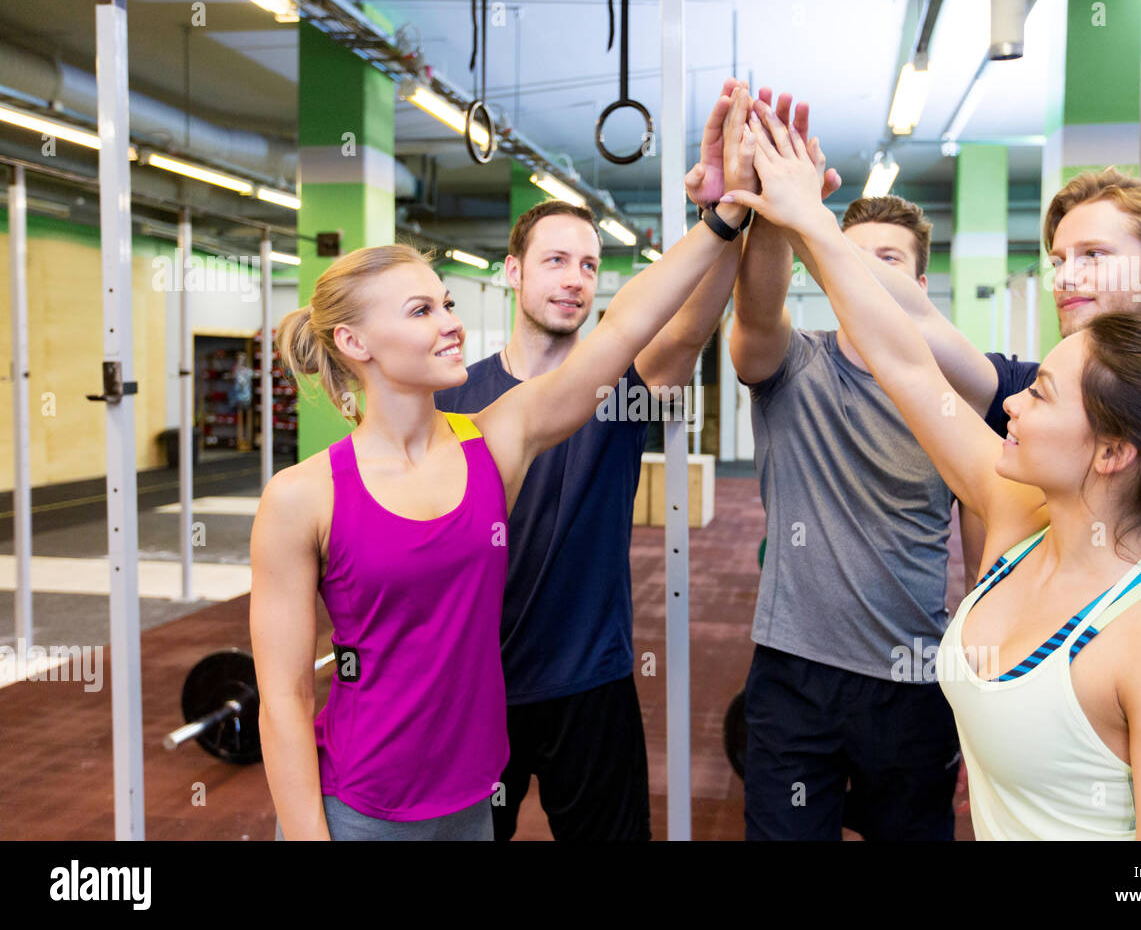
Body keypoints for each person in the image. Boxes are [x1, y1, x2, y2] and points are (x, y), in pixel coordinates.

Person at [721, 101, 1141, 839]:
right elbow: (904, 351)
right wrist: (794, 213)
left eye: (1042, 394)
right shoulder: (1018, 505)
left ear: (1114, 450)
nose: (1012, 403)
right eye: (1059, 258)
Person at [250, 167, 754, 839]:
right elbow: (282, 700)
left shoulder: (493, 442)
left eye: (448, 304)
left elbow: (622, 332)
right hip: (364, 804)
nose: (451, 323)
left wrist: (722, 221)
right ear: (354, 342)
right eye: (423, 311)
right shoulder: (300, 496)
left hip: (468, 798)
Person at [436, 79, 794, 840]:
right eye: (556, 260)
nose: (573, 279)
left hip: (587, 681)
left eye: (590, 266)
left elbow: (689, 326)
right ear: (513, 271)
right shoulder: (454, 394)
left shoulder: (619, 386)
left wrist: (728, 220)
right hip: (475, 683)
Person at [729, 94, 960, 841]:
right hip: (794, 672)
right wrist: (773, 206)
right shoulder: (795, 366)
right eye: (845, 253)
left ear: (918, 289)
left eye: (885, 260)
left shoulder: (954, 392)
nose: (860, 269)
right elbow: (758, 317)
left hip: (912, 675)